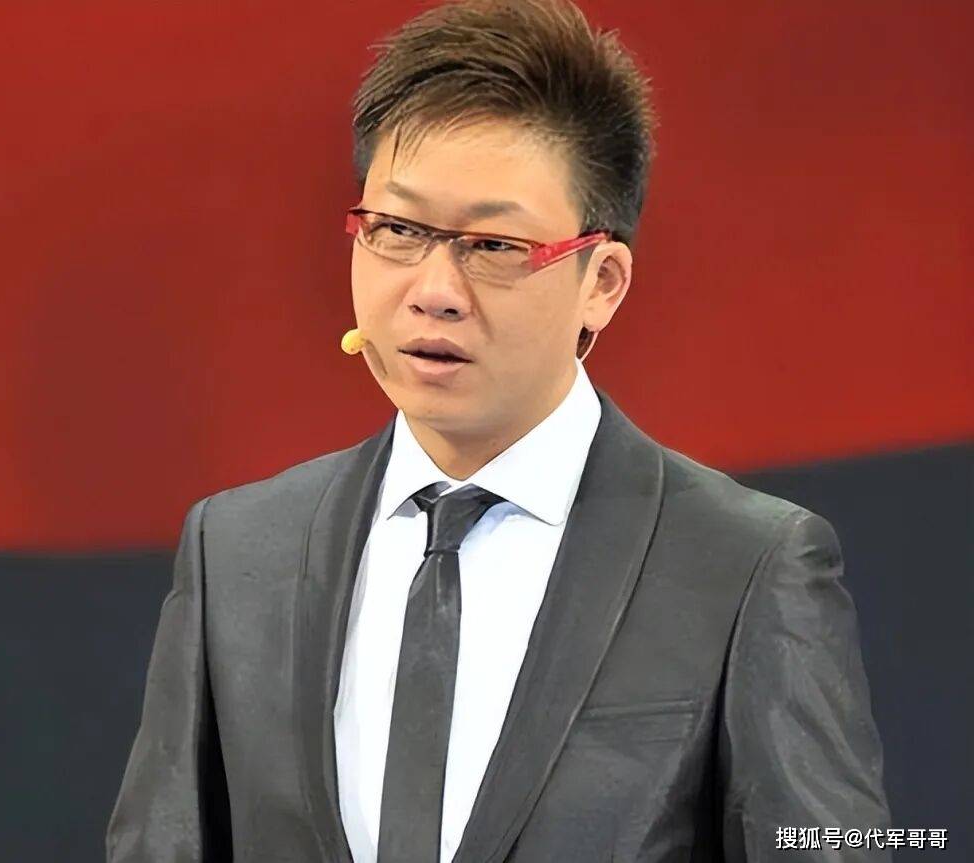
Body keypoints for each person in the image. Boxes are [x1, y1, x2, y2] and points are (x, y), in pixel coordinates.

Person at [106, 0, 892, 860]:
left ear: (603, 282)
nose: (434, 290)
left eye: (494, 246)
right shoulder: (237, 551)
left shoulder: (744, 567)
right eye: (398, 230)